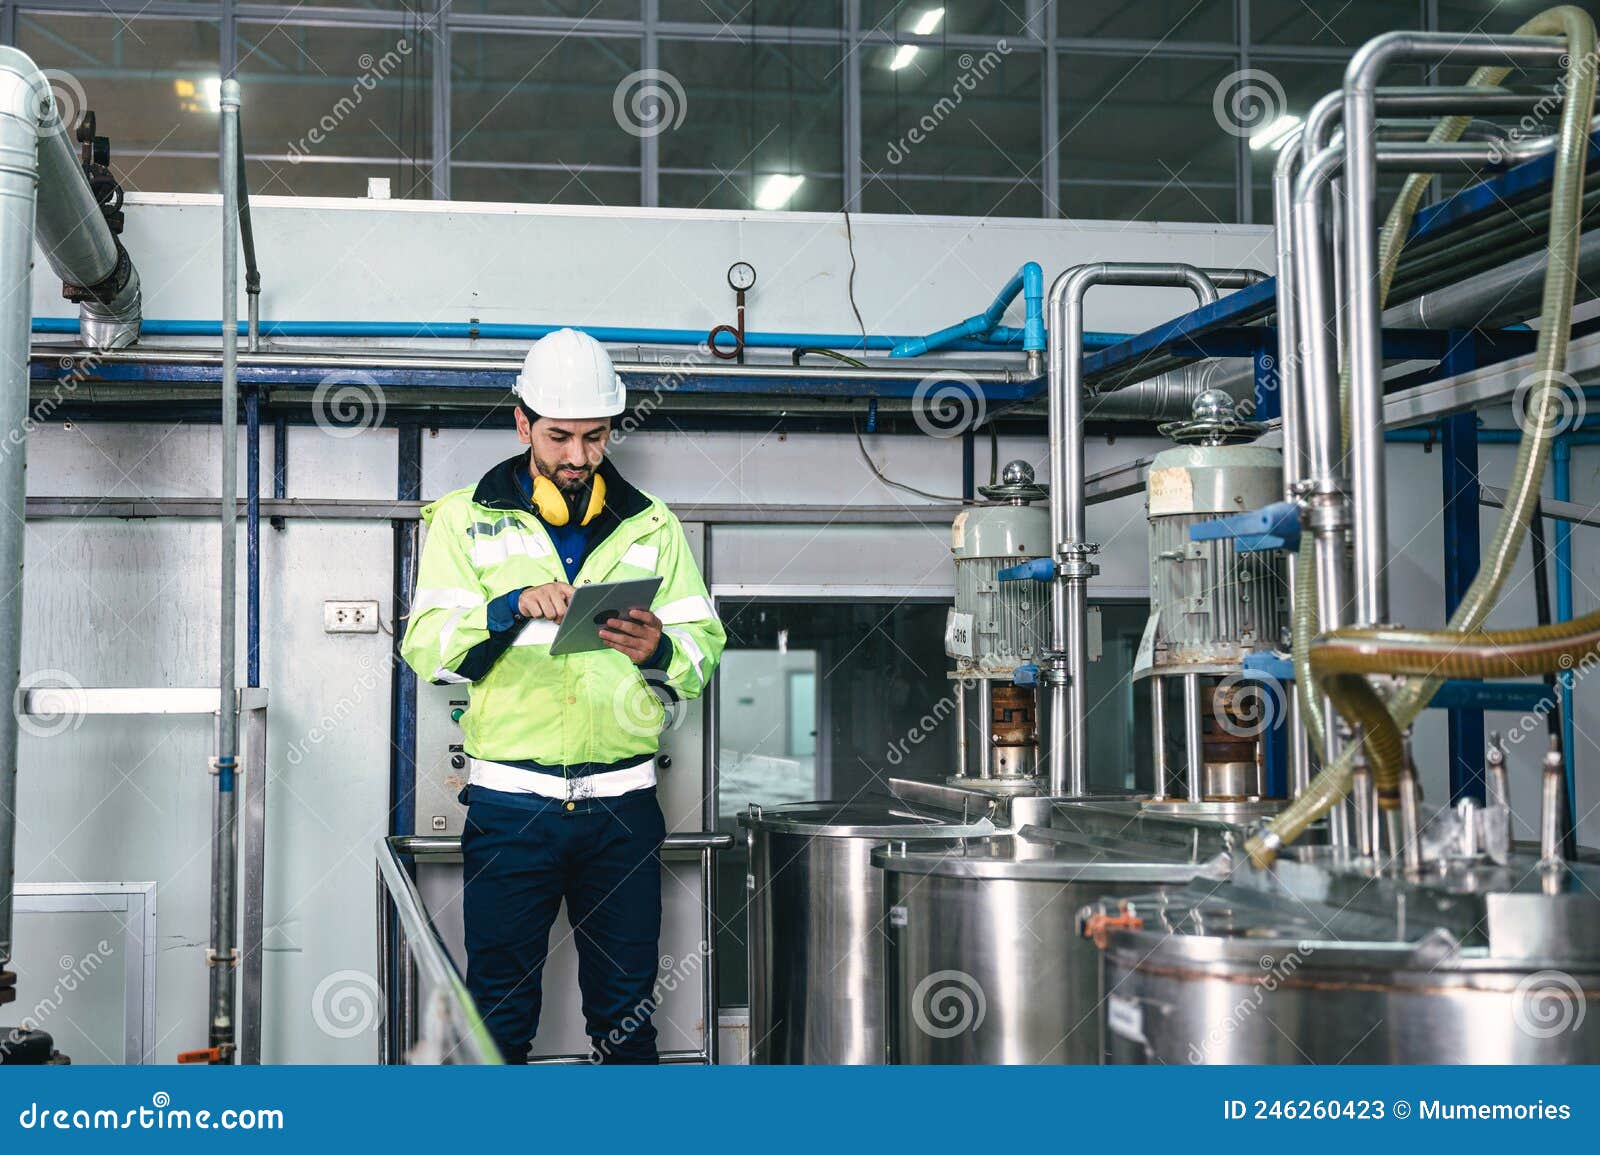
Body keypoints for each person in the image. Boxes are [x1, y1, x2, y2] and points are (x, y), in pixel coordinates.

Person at [400, 327, 724, 1064]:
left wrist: (664, 648)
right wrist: (506, 606)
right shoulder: (464, 518)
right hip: (511, 808)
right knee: (498, 1025)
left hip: (622, 808)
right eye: (560, 437)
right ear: (522, 423)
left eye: (596, 436)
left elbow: (704, 648)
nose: (578, 457)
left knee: (625, 1023)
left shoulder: (653, 524)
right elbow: (426, 643)